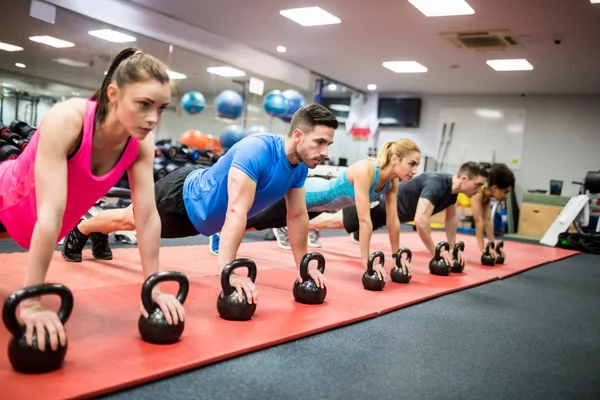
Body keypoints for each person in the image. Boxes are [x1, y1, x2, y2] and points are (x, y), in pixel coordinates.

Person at [0, 47, 184, 352]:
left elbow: (147, 216)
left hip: (37, 226)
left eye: (162, 108)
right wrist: (31, 302)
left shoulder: (139, 144)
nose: (153, 118)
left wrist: (154, 288)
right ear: (114, 94)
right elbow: (50, 212)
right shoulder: (68, 119)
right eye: (143, 104)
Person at [61, 103, 338, 304]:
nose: (325, 152)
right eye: (320, 142)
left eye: (329, 144)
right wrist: (229, 272)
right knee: (128, 219)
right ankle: (84, 228)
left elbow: (298, 217)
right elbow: (236, 210)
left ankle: (96, 230)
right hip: (182, 199)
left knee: (127, 220)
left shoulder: (299, 167)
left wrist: (306, 266)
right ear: (299, 136)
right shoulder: (258, 149)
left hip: (203, 221)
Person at [245, 139, 422, 281]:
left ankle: (281, 227)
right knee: (254, 222)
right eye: (411, 163)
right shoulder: (366, 169)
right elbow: (364, 220)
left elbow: (393, 220)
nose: (414, 171)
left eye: (416, 166)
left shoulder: (392, 182)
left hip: (321, 207)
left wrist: (395, 256)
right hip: (310, 194)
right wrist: (366, 261)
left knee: (261, 224)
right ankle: (219, 232)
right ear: (395, 159)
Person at [314, 162, 489, 267]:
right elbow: (420, 220)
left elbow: (451, 220)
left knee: (339, 223)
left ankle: (349, 231)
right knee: (334, 222)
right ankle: (297, 225)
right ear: (464, 179)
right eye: (478, 184)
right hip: (379, 205)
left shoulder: (452, 192)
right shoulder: (436, 183)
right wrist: (436, 253)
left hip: (391, 216)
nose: (479, 190)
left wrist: (451, 249)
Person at [465, 163, 515, 260]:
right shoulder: (478, 191)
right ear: (495, 188)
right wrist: (483, 248)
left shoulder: (486, 195)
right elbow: (478, 220)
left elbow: (487, 220)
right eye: (505, 192)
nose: (507, 196)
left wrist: (492, 246)